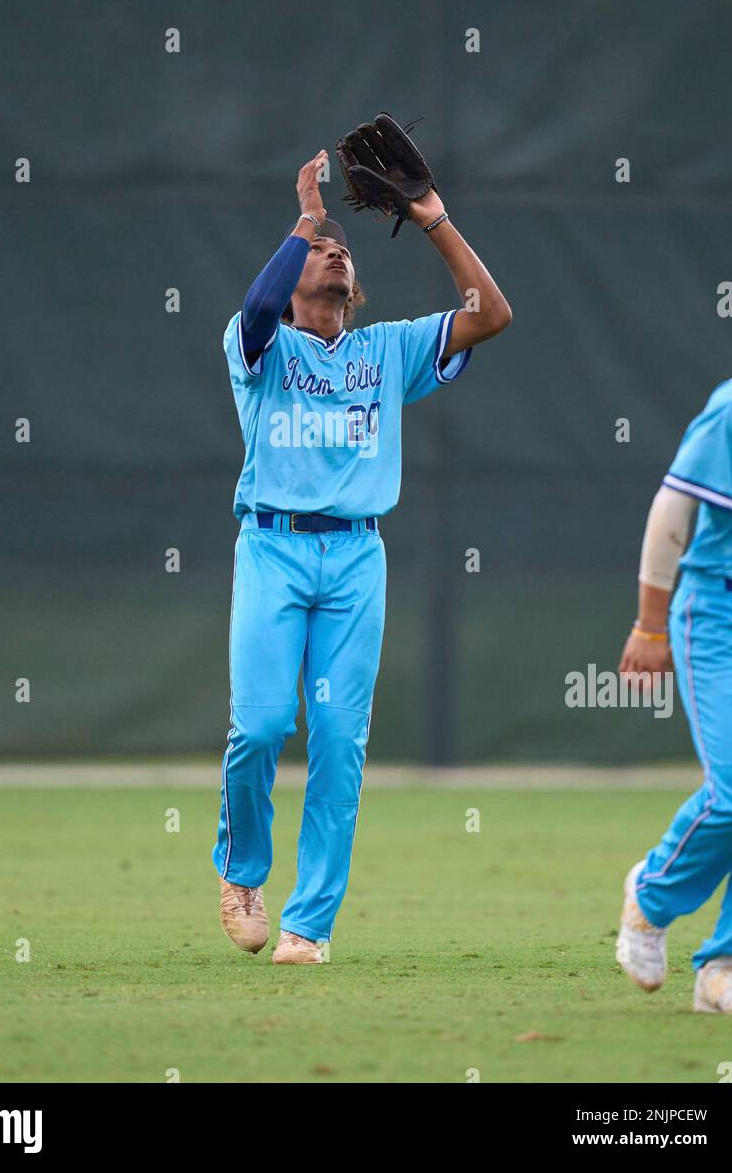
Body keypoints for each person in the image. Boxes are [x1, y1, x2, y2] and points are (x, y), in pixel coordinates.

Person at [214, 146, 512, 963]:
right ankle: (241, 873)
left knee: (340, 743)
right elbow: (255, 307)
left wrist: (433, 219)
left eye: (343, 245)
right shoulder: (261, 349)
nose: (336, 249)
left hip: (354, 560)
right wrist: (307, 216)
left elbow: (490, 314)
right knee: (265, 723)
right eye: (321, 247)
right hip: (272, 550)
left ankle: (309, 925)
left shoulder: (385, 352)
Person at [617, 360, 732, 1013]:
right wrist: (650, 624)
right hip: (723, 614)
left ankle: (725, 967)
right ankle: (652, 896)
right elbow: (674, 502)